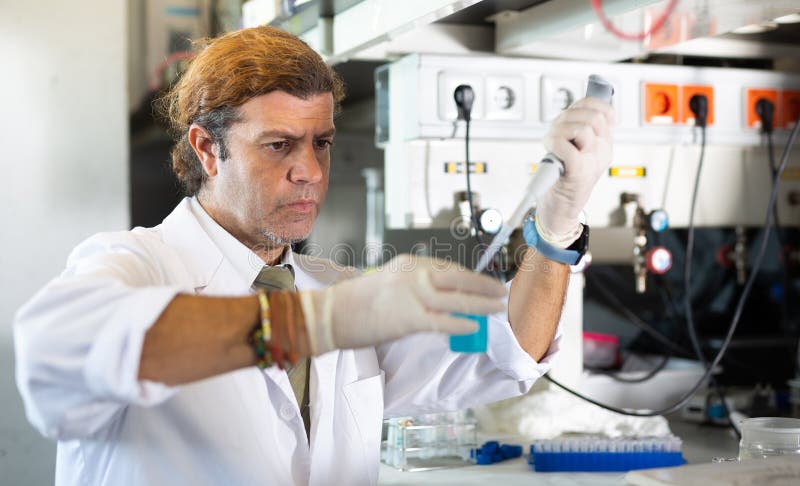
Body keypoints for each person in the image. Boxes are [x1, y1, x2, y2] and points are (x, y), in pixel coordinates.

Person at [14, 26, 614, 486]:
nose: (309, 171)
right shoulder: (136, 265)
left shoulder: (337, 292)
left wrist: (560, 217)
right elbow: (54, 351)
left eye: (321, 143)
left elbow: (511, 350)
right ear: (207, 149)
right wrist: (317, 323)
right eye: (278, 145)